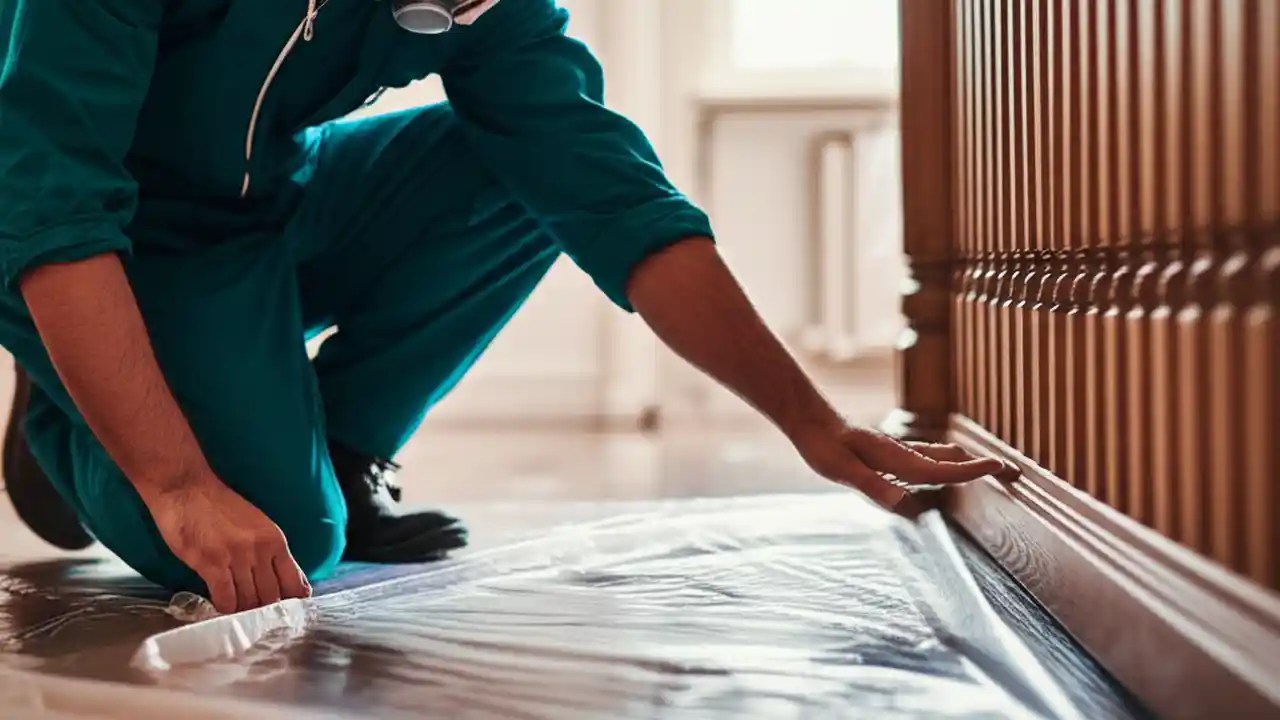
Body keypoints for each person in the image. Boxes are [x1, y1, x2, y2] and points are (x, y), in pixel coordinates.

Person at [0, 0, 1012, 615]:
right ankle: (68, 409)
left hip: (268, 196)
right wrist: (177, 483)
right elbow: (52, 197)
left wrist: (811, 421)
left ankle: (342, 448)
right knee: (290, 540)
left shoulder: (487, 3)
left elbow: (609, 192)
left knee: (521, 163)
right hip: (102, 234)